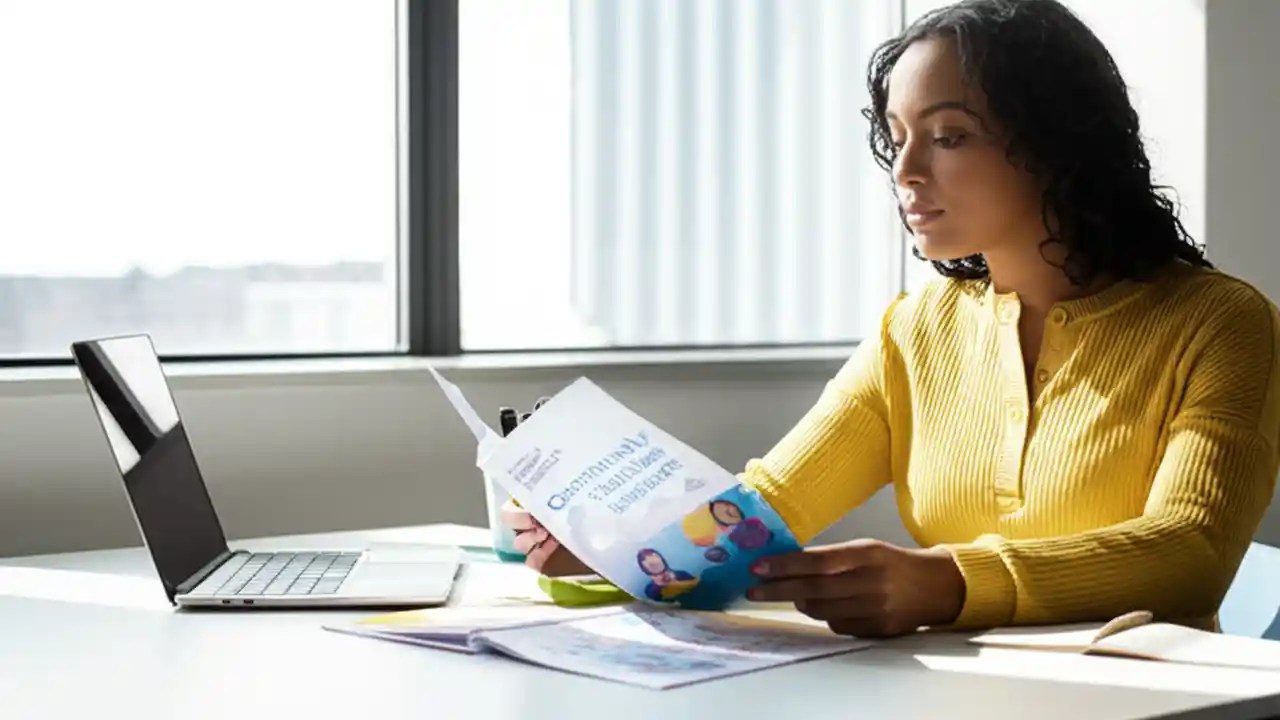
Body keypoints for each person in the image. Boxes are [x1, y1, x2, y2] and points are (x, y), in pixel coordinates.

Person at [503, 0, 1280, 638]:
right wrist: (623, 550)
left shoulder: (1221, 324)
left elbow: (1192, 550)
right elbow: (766, 510)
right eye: (898, 139)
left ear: (1057, 143)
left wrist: (945, 582)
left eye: (947, 137)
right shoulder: (913, 332)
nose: (906, 171)